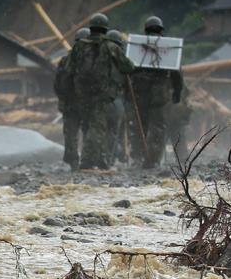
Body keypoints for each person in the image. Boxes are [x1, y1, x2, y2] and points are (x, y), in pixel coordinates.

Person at [65, 13, 134, 170]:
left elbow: (69, 69)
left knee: (88, 125)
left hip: (81, 93)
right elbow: (128, 67)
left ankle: (98, 158)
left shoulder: (79, 46)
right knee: (98, 126)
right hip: (102, 94)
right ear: (105, 28)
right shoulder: (111, 47)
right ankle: (88, 161)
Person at [127, 16, 185, 168]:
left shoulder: (137, 46)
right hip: (159, 95)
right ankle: (152, 160)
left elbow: (128, 71)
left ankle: (137, 157)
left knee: (140, 126)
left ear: (146, 29)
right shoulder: (168, 47)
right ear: (161, 30)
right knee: (157, 127)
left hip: (140, 93)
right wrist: (177, 93)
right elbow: (176, 74)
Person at [54, 27, 90, 170]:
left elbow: (57, 82)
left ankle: (73, 161)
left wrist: (63, 97)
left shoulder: (66, 60)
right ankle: (87, 160)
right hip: (86, 102)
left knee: (71, 132)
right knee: (88, 130)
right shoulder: (91, 59)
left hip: (69, 102)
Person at [104, 29, 130, 166]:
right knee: (114, 131)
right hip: (116, 99)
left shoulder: (99, 55)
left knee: (101, 129)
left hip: (99, 99)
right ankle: (110, 158)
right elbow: (130, 69)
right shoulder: (120, 58)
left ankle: (103, 158)